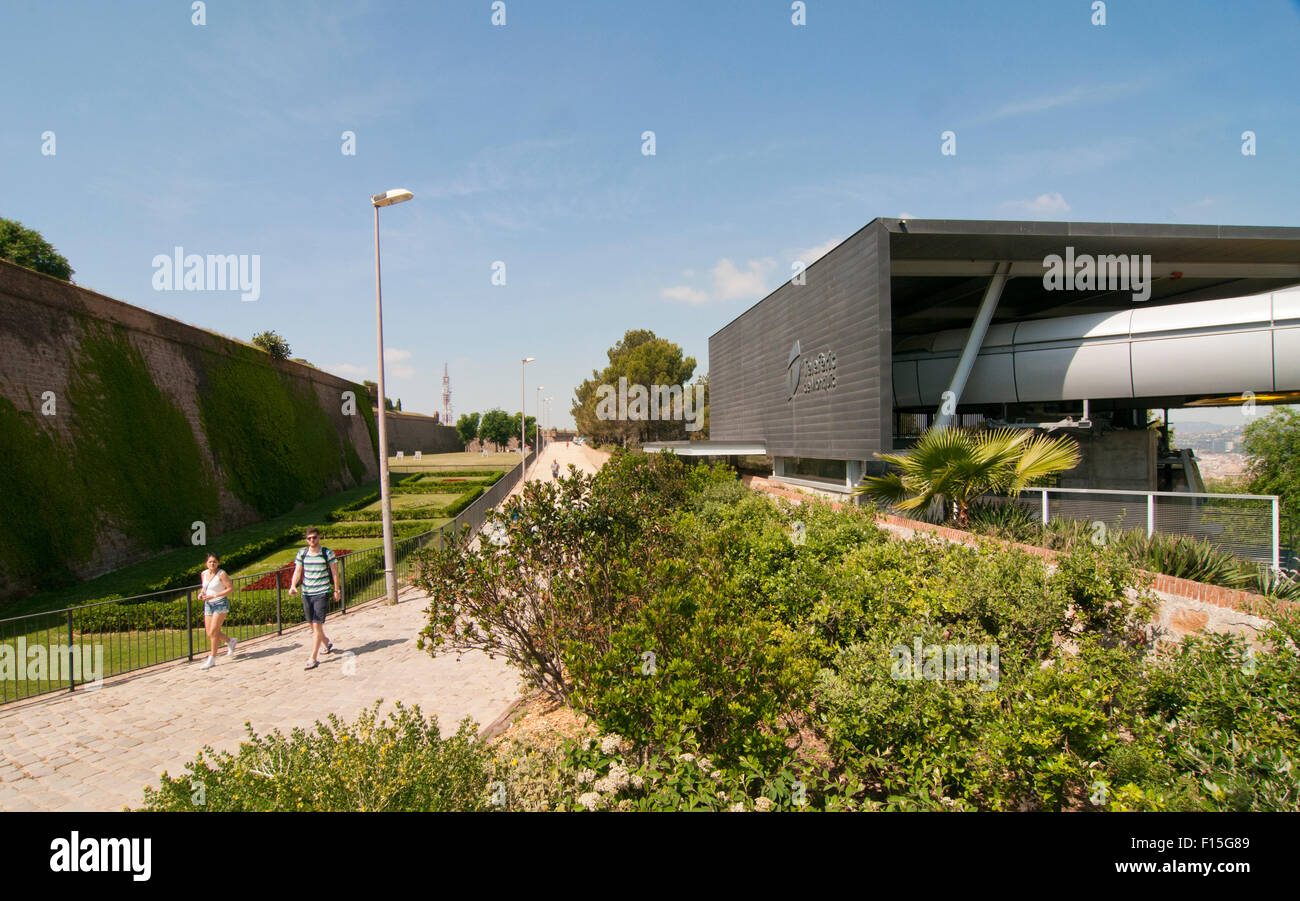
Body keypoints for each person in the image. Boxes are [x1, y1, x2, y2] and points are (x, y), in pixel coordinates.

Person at [288, 527, 340, 670]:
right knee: (311, 625)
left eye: (314, 537)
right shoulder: (302, 553)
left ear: (319, 538)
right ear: (306, 540)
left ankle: (313, 657)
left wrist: (336, 589)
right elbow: (298, 571)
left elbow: (335, 573)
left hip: (322, 592)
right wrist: (293, 585)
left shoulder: (327, 553)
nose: (312, 540)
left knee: (317, 625)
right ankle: (326, 642)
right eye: (309, 538)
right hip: (307, 592)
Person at [198, 553, 236, 670]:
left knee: (214, 631)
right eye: (210, 562)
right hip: (209, 604)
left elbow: (230, 589)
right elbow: (204, 587)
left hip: (220, 604)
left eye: (214, 561)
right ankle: (230, 641)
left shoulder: (222, 574)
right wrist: (202, 593)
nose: (212, 564)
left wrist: (215, 595)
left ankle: (212, 658)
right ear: (206, 563)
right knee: (210, 632)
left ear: (218, 563)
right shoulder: (204, 574)